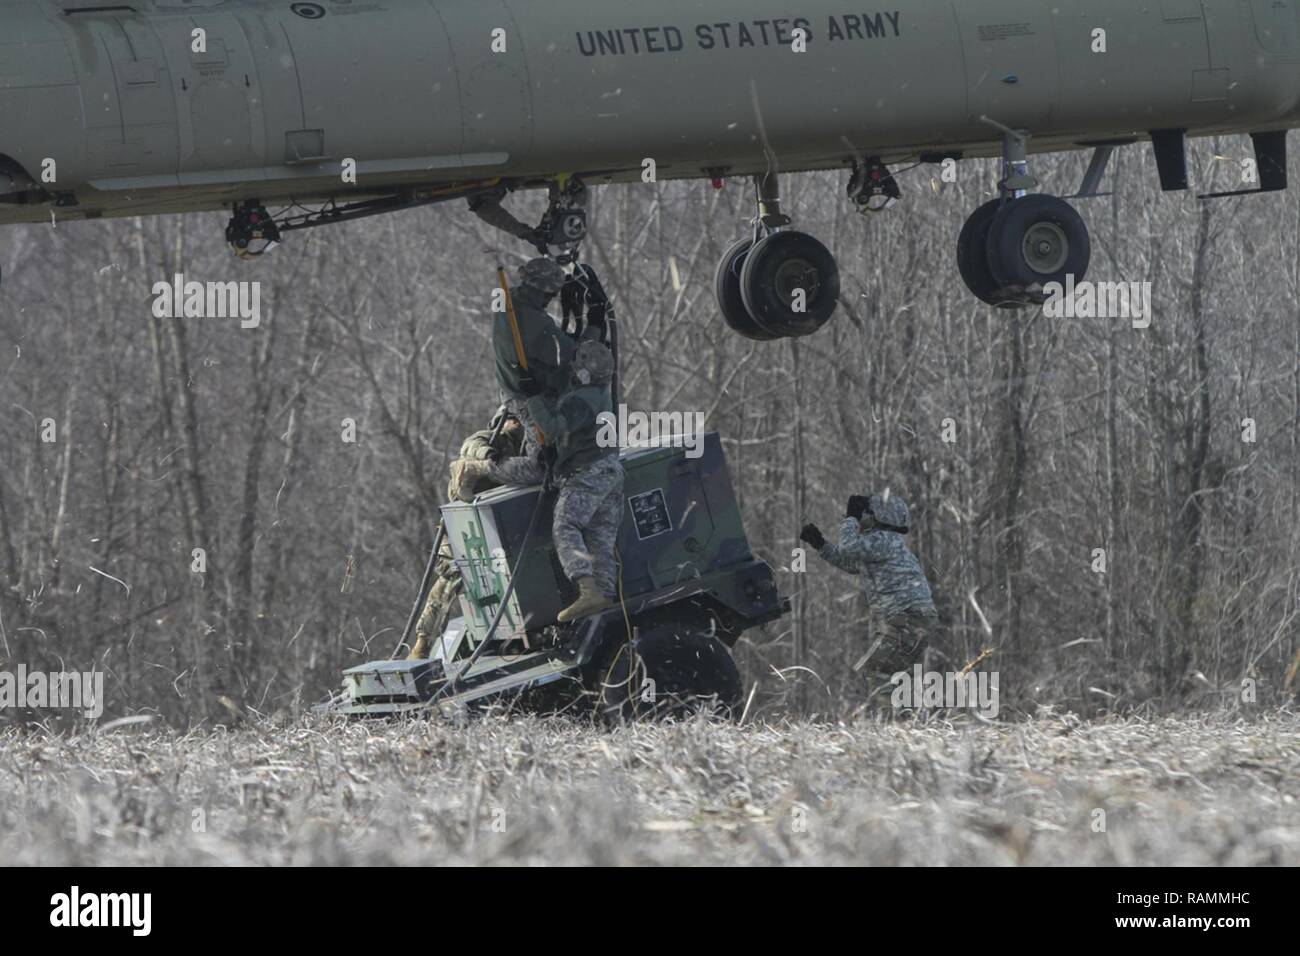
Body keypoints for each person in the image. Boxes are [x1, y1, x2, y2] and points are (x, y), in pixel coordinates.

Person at [454, 340, 624, 623]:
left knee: (566, 526)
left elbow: (552, 428)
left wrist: (532, 399)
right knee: (599, 534)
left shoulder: (578, 402)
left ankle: (587, 588)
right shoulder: (600, 393)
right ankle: (602, 593)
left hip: (585, 474)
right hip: (610, 471)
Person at [407, 412, 524, 660]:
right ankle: (423, 641)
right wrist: (490, 459)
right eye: (514, 421)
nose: (517, 426)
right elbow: (471, 446)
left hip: (497, 525)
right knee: (451, 577)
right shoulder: (492, 439)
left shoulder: (526, 446)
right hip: (463, 525)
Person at [800, 490, 941, 679]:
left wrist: (851, 517)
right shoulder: (881, 544)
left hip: (908, 617)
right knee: (898, 677)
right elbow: (850, 563)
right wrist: (820, 544)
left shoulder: (884, 539)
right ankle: (906, 709)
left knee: (878, 672)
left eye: (868, 512)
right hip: (914, 619)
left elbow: (849, 547)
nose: (863, 517)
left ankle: (887, 709)